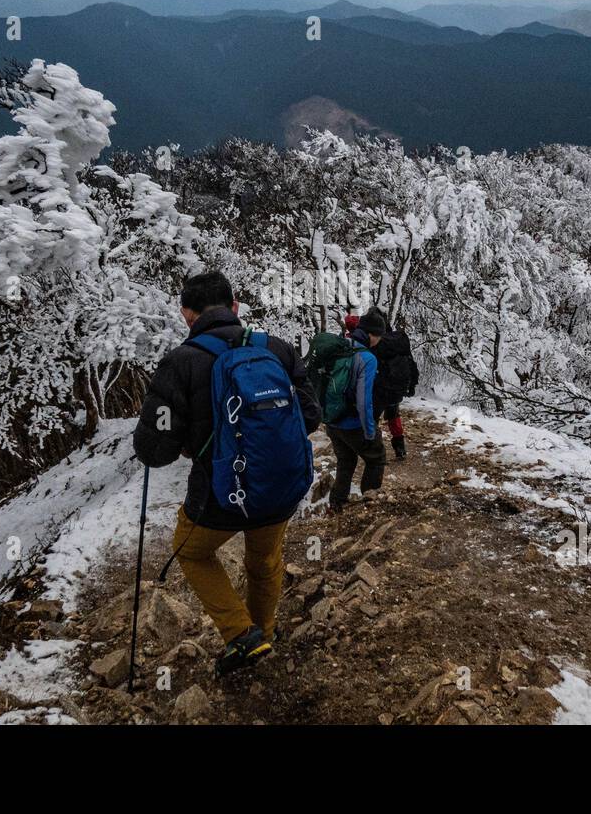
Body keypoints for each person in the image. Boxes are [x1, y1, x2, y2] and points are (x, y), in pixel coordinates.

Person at [133, 271, 321, 675]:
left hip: (219, 496)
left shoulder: (179, 362)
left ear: (186, 314)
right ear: (235, 307)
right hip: (279, 487)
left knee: (191, 551)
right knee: (265, 559)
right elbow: (310, 417)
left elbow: (155, 451)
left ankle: (241, 633)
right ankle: (264, 631)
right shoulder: (278, 349)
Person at [325, 312, 386, 512]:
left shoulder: (339, 346)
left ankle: (336, 505)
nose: (379, 340)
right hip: (352, 423)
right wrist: (369, 431)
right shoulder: (367, 358)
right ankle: (369, 506)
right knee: (376, 458)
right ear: (371, 334)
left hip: (332, 420)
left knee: (346, 461)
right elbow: (363, 401)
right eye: (379, 336)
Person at [360, 308, 420, 460]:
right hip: (396, 389)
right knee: (394, 416)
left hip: (379, 389)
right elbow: (410, 362)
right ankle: (400, 449)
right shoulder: (399, 340)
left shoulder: (375, 343)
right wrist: (412, 384)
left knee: (373, 419)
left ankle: (373, 450)